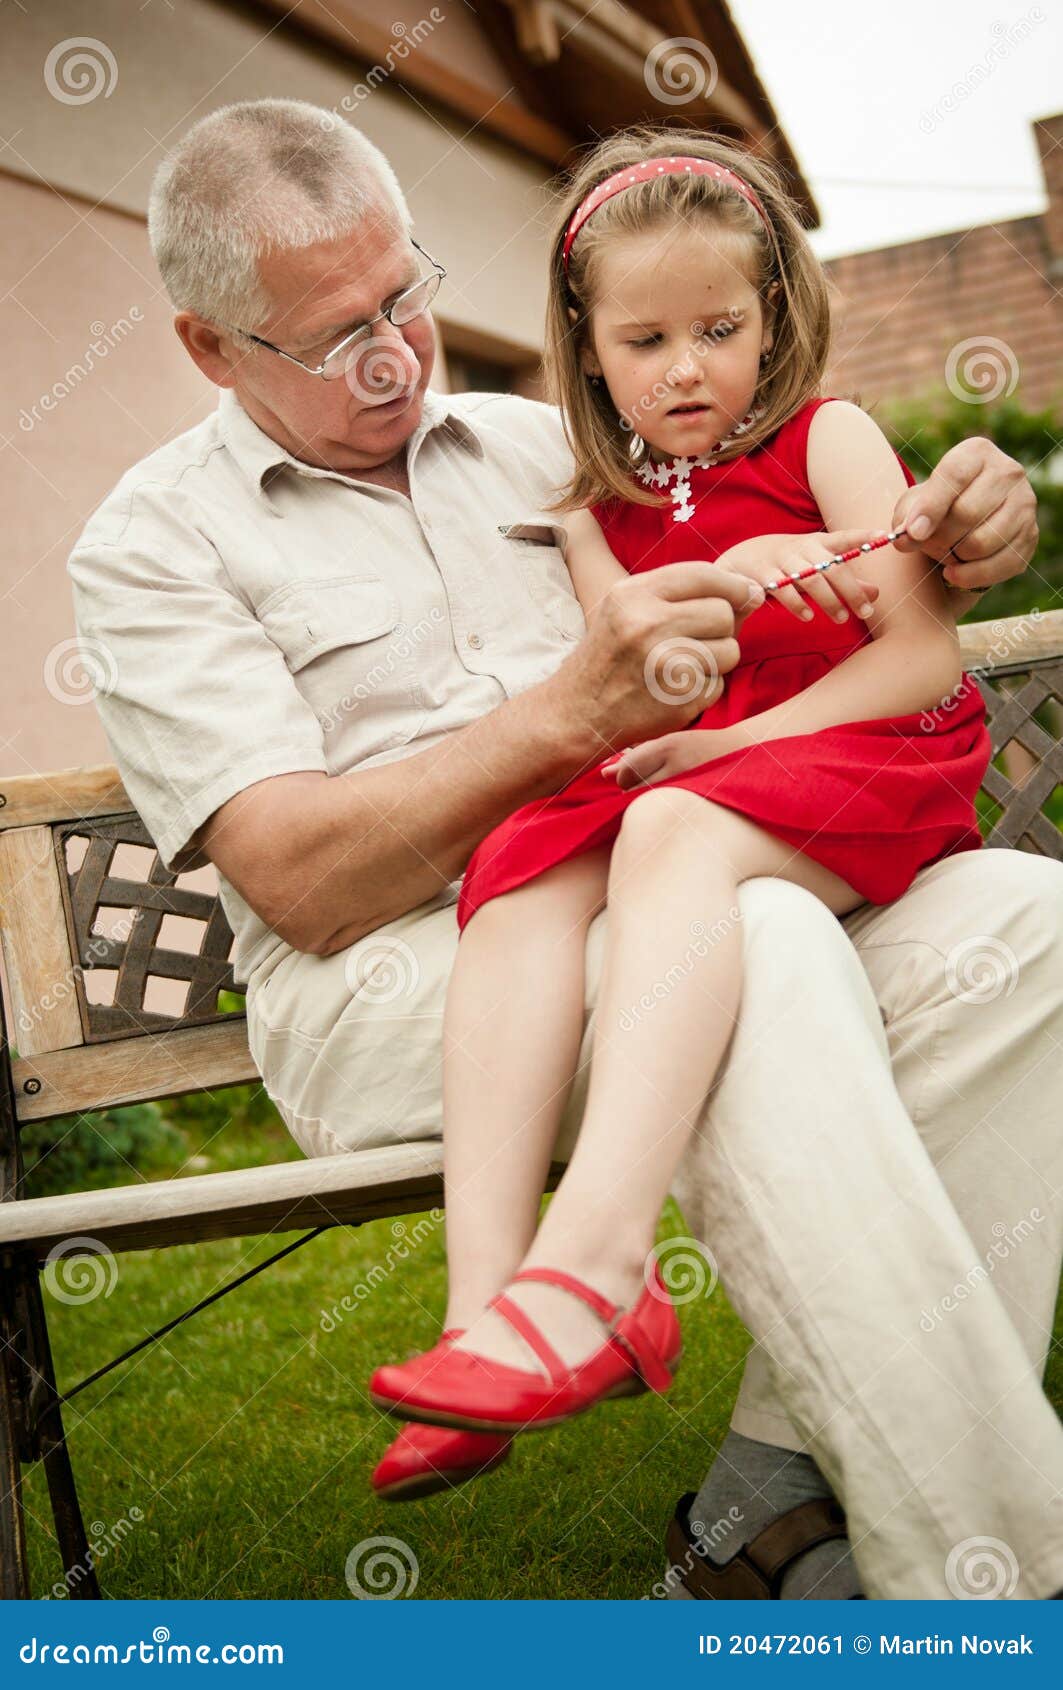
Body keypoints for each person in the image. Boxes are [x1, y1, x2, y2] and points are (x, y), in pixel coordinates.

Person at [65, 100, 1063, 1599]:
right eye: (338, 335)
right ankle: (989, 1575)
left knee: (1028, 925)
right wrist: (566, 718)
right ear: (211, 347)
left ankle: (764, 1503)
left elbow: (826, 548)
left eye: (408, 290)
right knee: (767, 953)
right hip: (403, 976)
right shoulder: (153, 548)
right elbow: (300, 879)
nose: (399, 349)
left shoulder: (564, 441)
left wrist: (966, 517)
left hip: (664, 869)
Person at [368, 133, 995, 1451]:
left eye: (719, 327)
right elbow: (648, 680)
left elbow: (923, 655)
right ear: (589, 351)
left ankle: (598, 1266)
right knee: (520, 875)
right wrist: (693, 630)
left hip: (863, 751)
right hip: (701, 769)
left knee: (663, 817)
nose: (688, 366)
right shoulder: (602, 506)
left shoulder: (831, 438)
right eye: (645, 340)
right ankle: (483, 1316)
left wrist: (764, 640)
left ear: (772, 316)